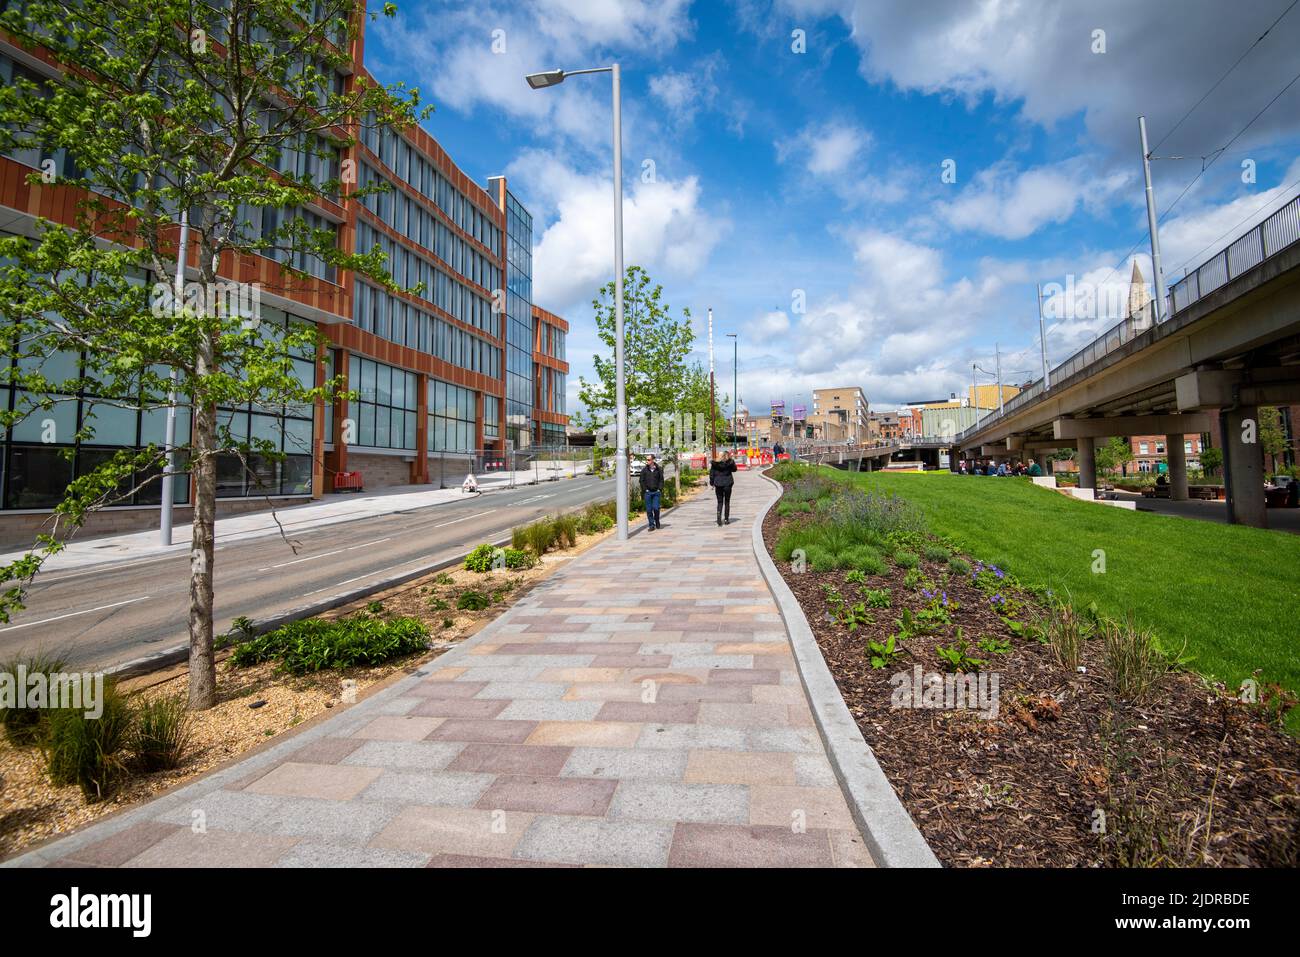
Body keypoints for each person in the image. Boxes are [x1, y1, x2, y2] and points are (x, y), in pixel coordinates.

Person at [709, 450, 737, 526]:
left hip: (718, 484)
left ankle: (718, 518)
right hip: (728, 483)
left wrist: (712, 483)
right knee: (727, 501)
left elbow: (712, 474)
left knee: (720, 502)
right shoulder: (729, 462)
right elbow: (735, 469)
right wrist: (731, 461)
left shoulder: (715, 464)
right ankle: (726, 519)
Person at [639, 453, 664, 531]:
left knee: (656, 508)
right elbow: (641, 481)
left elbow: (661, 480)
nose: (647, 461)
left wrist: (659, 489)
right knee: (649, 510)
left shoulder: (658, 469)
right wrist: (645, 489)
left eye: (649, 460)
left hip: (656, 492)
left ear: (653, 460)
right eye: (647, 460)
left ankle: (657, 521)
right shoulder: (644, 470)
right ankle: (651, 525)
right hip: (648, 493)